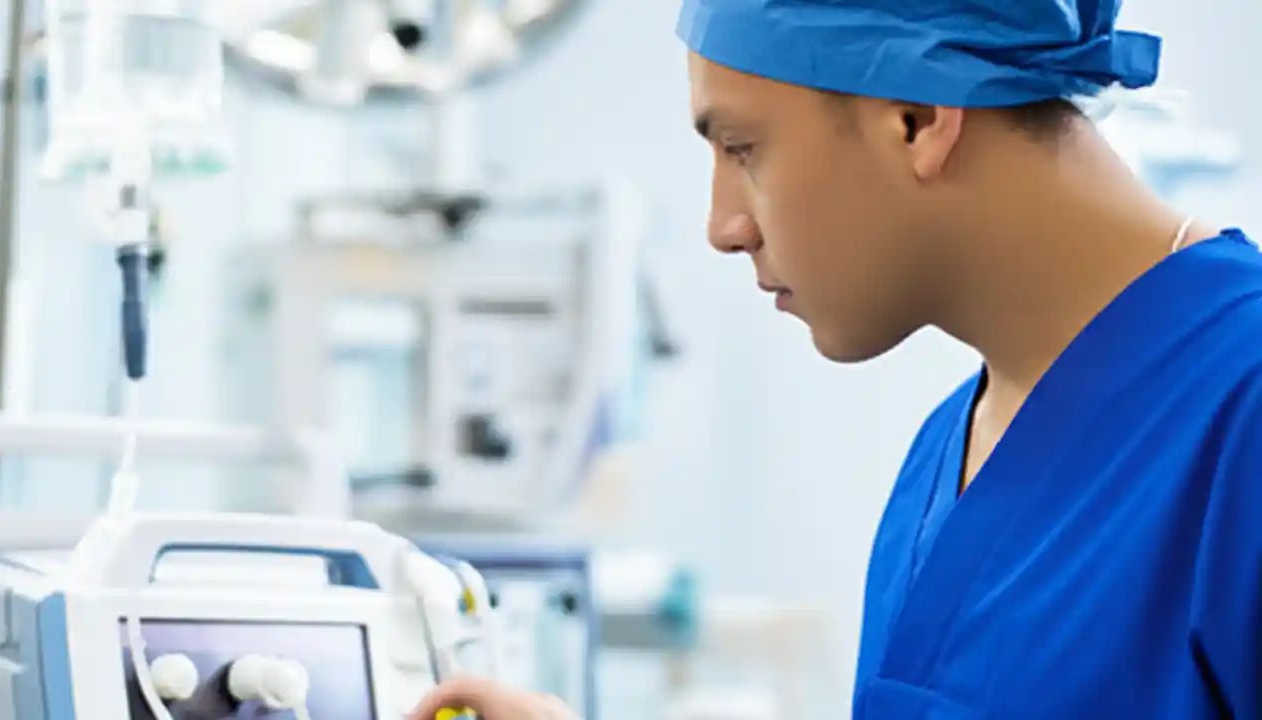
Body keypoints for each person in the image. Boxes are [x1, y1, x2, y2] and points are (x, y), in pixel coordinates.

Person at [412, 0, 1262, 718]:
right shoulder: (950, 449)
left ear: (918, 119)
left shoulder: (1241, 414)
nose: (722, 226)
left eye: (744, 150)